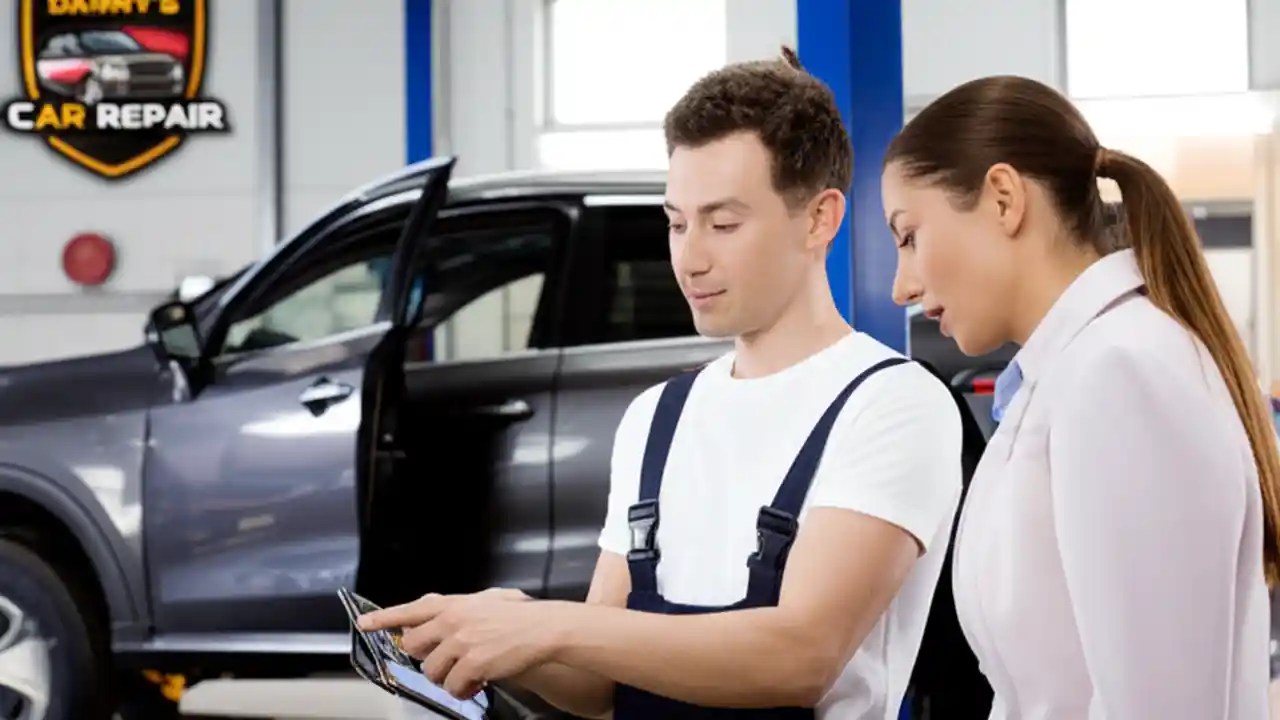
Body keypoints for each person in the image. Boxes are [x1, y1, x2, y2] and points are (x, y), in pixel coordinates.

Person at [358, 48, 964, 719]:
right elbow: (600, 688)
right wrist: (497, 638)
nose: (690, 257)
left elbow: (800, 658)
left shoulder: (892, 404)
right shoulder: (657, 418)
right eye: (676, 222)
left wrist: (552, 627)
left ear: (820, 218)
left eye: (723, 223)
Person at [880, 73, 1280, 719]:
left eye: (908, 236)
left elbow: (1161, 707)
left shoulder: (1120, 372)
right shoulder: (1069, 375)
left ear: (1004, 199)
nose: (901, 284)